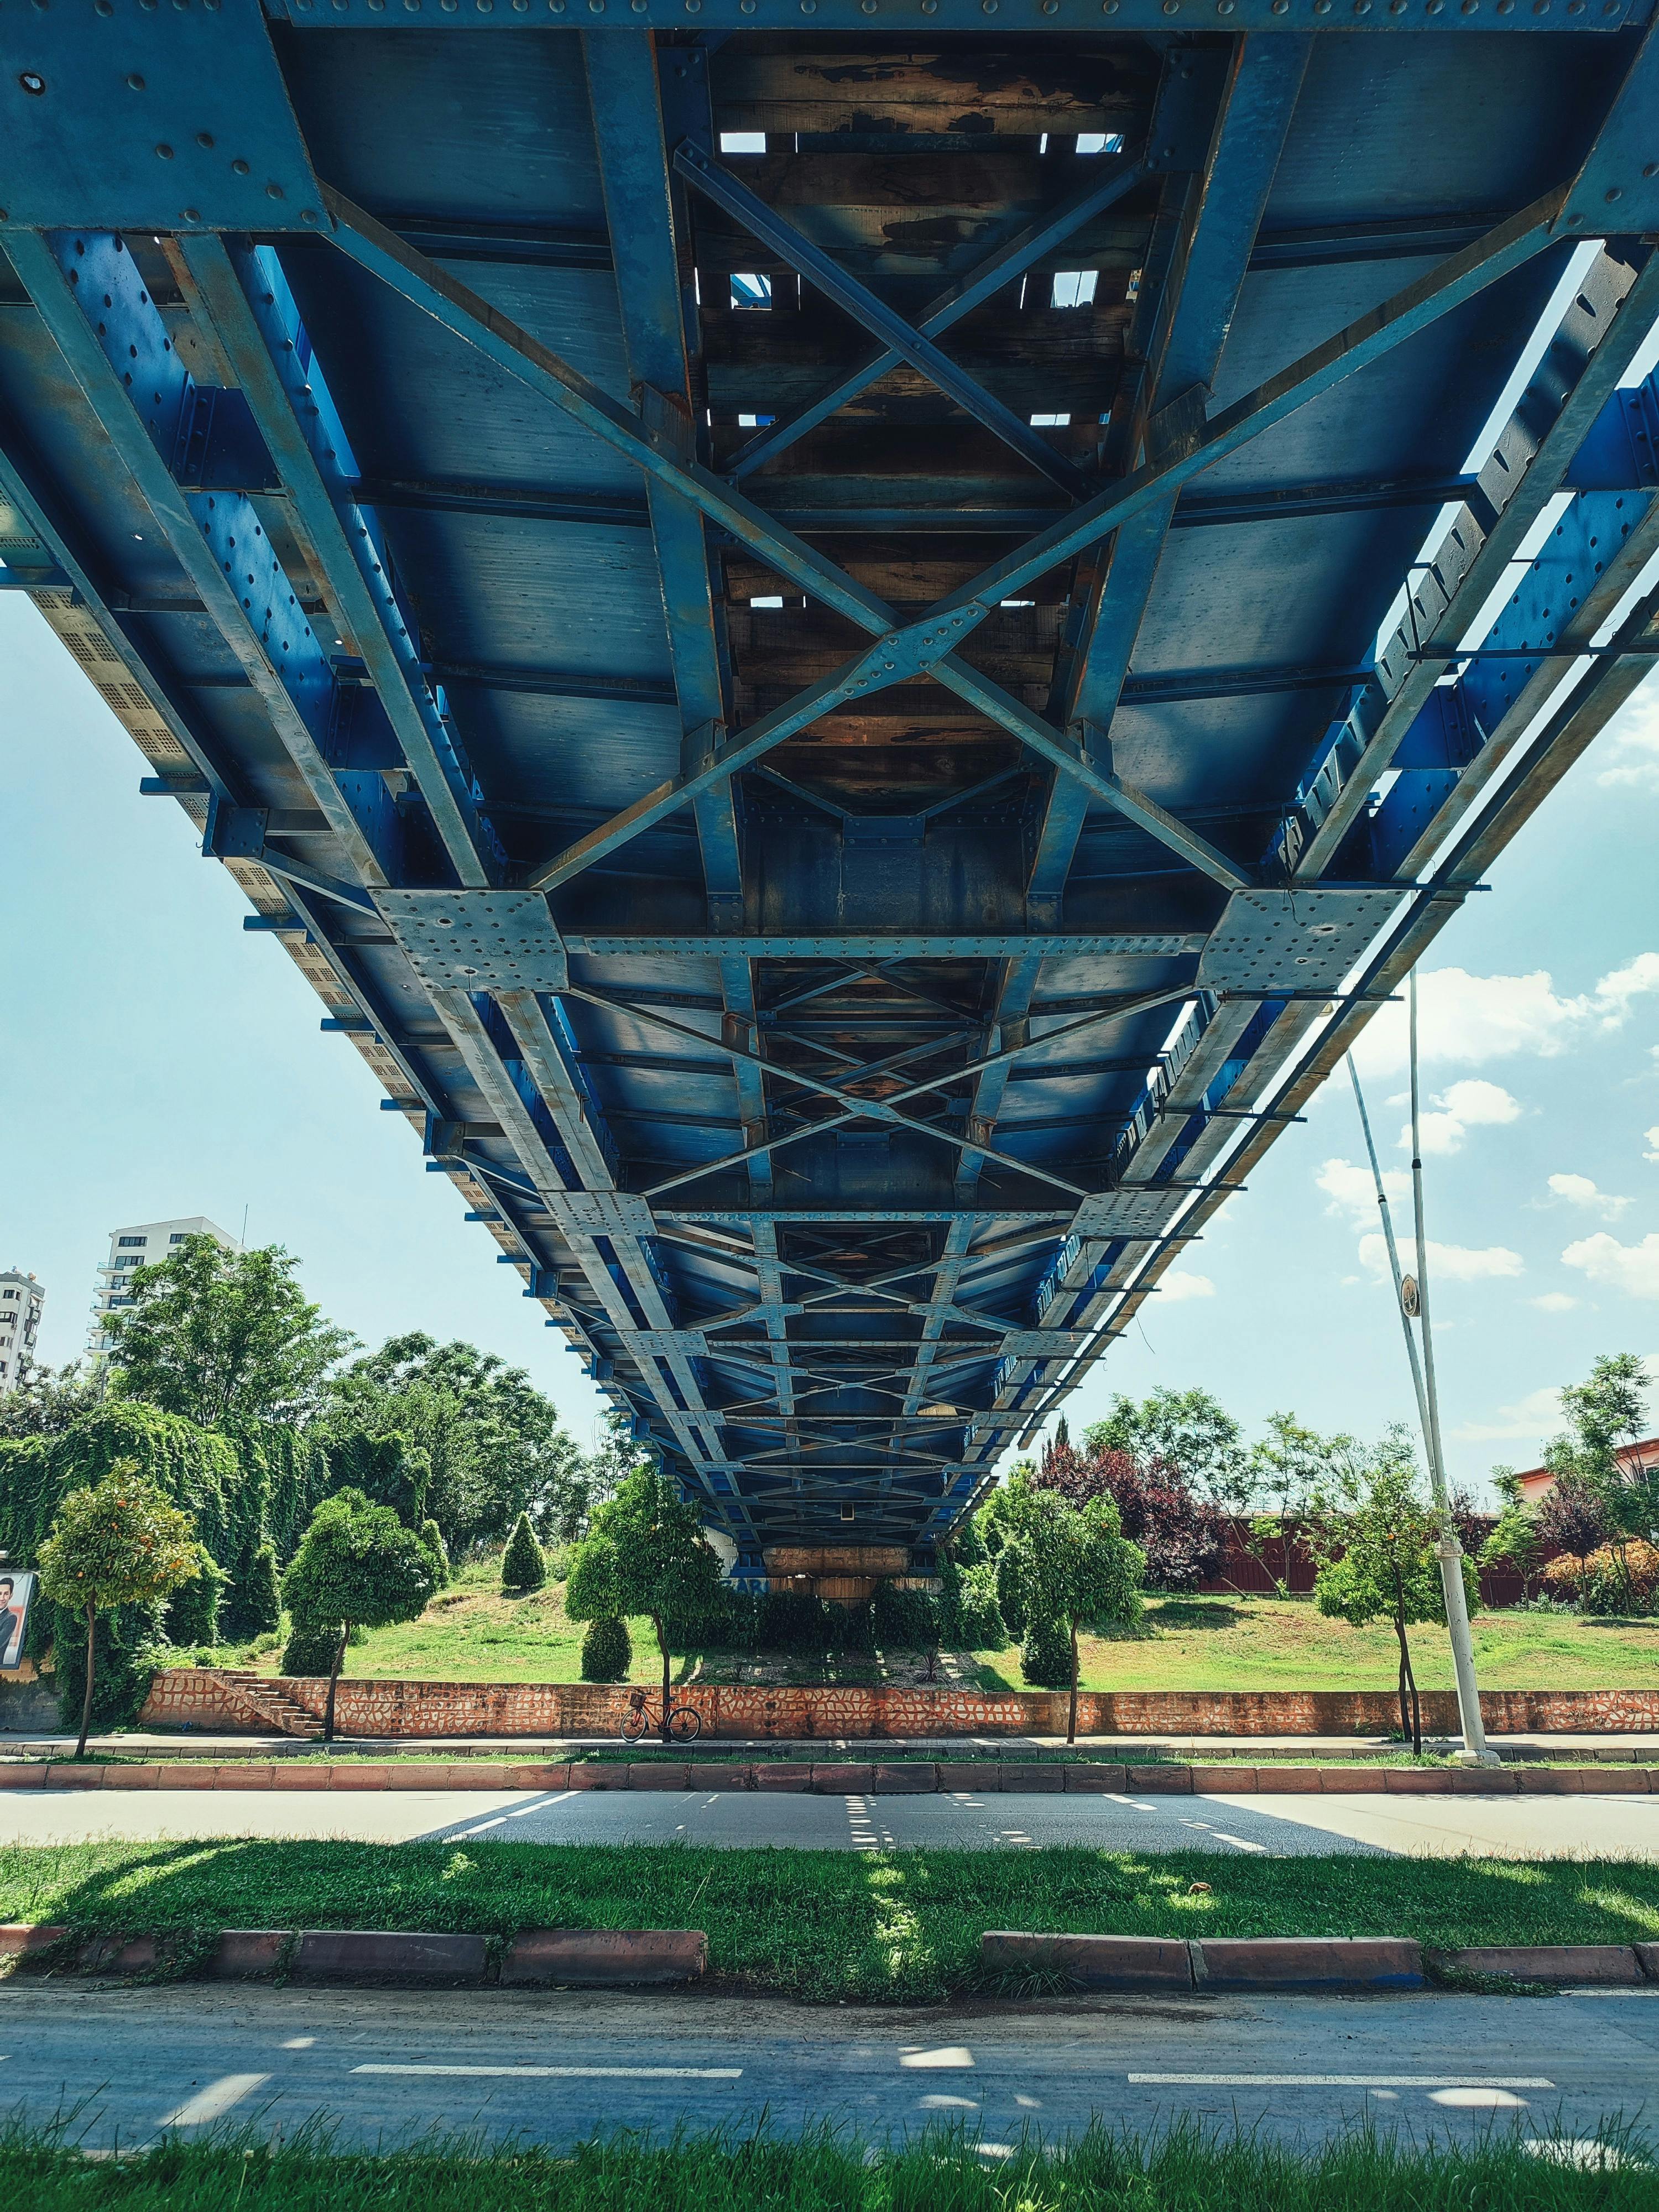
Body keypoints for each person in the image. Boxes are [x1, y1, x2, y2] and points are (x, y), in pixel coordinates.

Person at [0, 1577, 25, 1670]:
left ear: (11, 1596)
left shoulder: (11, 1618)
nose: (2, 1598)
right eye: (0, 1594)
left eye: (6, 1594)